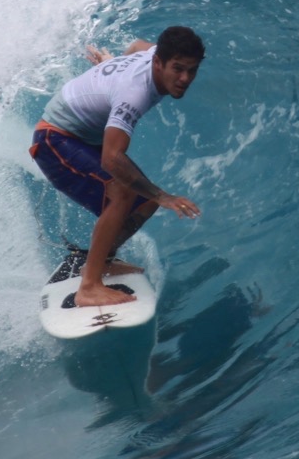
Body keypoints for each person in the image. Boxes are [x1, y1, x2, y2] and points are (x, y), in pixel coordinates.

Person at [29, 26, 205, 306]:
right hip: (55, 137)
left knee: (145, 202)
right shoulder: (134, 93)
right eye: (178, 69)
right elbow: (111, 159)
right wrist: (163, 195)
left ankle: (101, 261)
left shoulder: (153, 54)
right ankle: (88, 287)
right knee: (122, 193)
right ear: (158, 63)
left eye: (192, 70)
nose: (185, 78)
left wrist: (110, 69)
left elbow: (136, 46)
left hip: (81, 136)